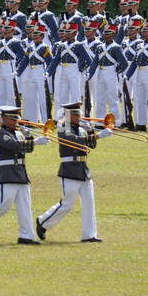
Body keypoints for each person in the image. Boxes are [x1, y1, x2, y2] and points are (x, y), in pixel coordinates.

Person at [35, 103, 111, 243]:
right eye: (75, 114)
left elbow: (91, 145)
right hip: (69, 168)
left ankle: (89, 235)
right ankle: (43, 222)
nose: (79, 117)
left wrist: (89, 132)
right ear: (67, 115)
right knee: (67, 204)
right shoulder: (64, 129)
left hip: (83, 168)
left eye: (79, 114)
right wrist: (99, 135)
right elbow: (74, 142)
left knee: (89, 202)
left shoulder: (81, 128)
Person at [0, 105, 49, 244]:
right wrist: (34, 141)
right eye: (13, 118)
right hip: (8, 173)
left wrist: (29, 135)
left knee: (25, 205)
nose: (16, 121)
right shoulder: (1, 135)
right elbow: (15, 146)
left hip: (21, 172)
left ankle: (27, 235)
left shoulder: (17, 133)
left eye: (17, 118)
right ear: (3, 119)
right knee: (4, 205)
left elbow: (27, 149)